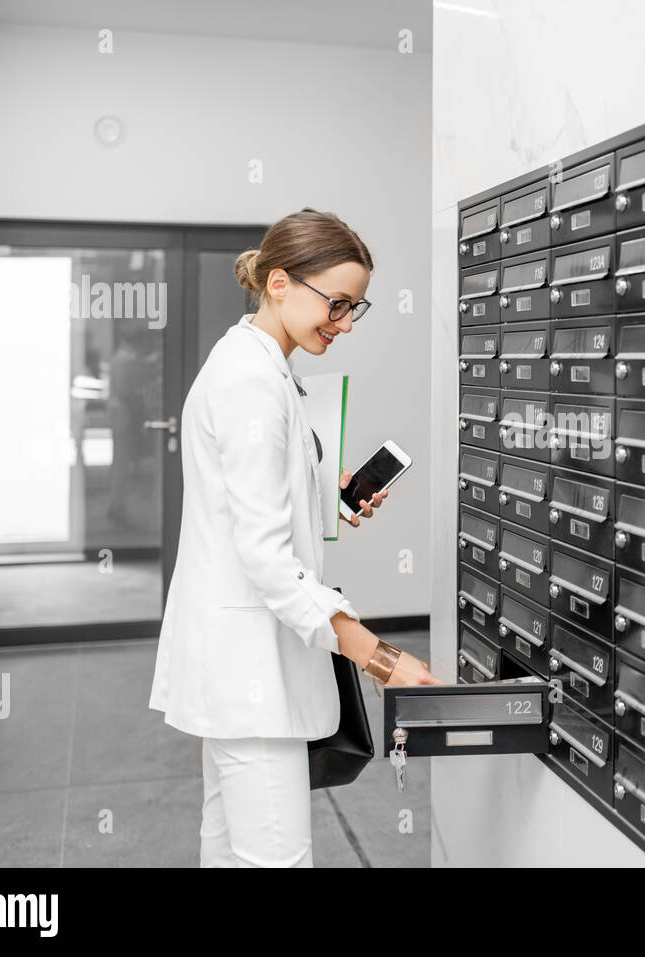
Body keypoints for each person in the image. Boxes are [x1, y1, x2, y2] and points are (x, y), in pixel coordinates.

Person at [148, 208, 440, 868]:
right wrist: (384, 660)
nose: (341, 324)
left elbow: (250, 499)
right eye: (335, 304)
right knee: (274, 857)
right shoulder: (254, 383)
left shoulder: (255, 363)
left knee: (229, 847)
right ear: (279, 282)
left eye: (354, 310)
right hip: (252, 671)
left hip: (237, 663)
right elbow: (265, 558)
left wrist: (326, 492)